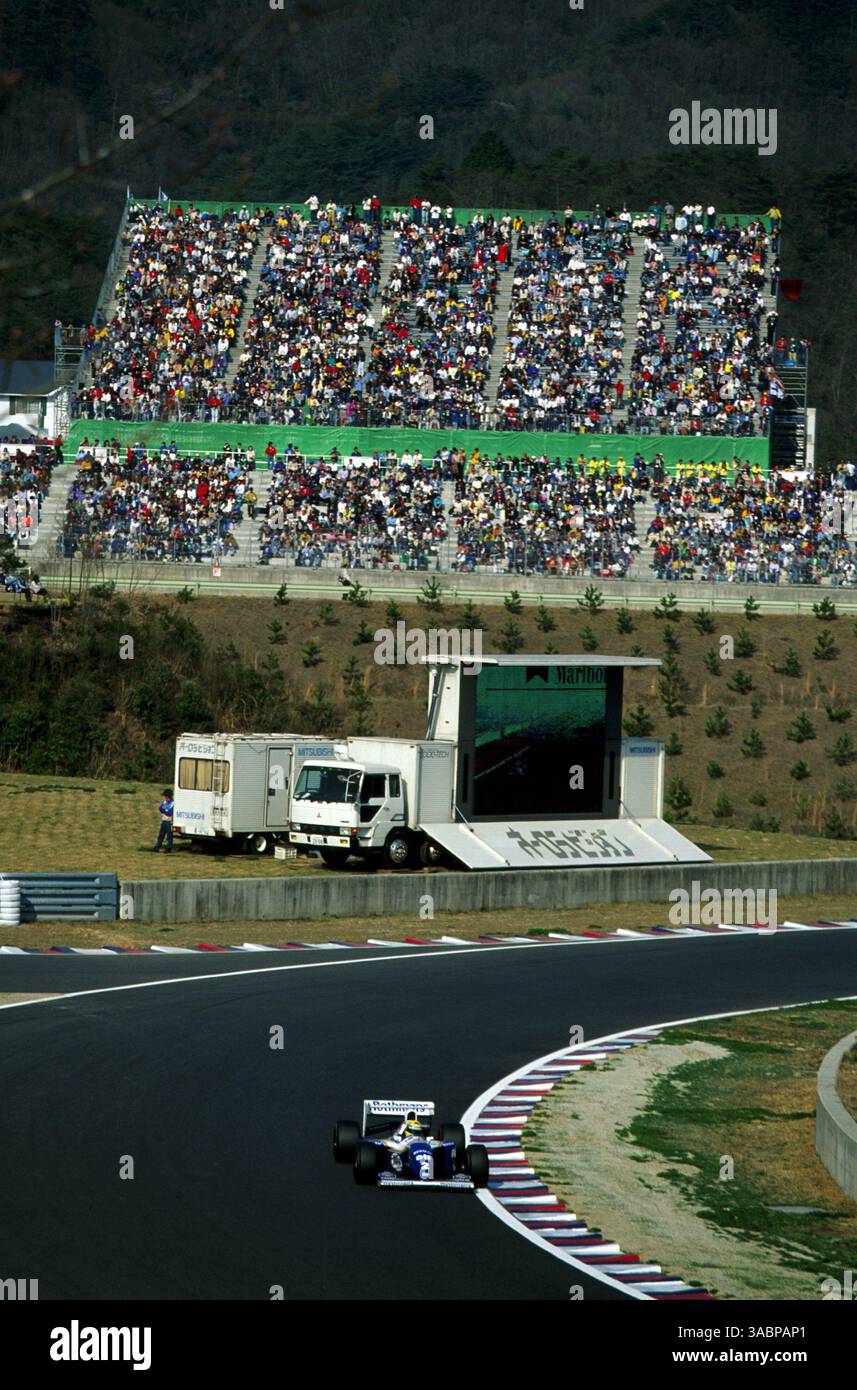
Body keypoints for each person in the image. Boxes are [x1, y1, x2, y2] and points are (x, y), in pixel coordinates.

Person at [154, 788, 174, 853]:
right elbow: (160, 808)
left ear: (168, 796)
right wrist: (165, 810)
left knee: (169, 836)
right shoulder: (165, 802)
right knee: (161, 835)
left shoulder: (172, 803)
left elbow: (170, 813)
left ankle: (169, 848)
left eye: (165, 796)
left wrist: (164, 810)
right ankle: (157, 847)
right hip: (164, 820)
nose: (164, 797)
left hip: (169, 821)